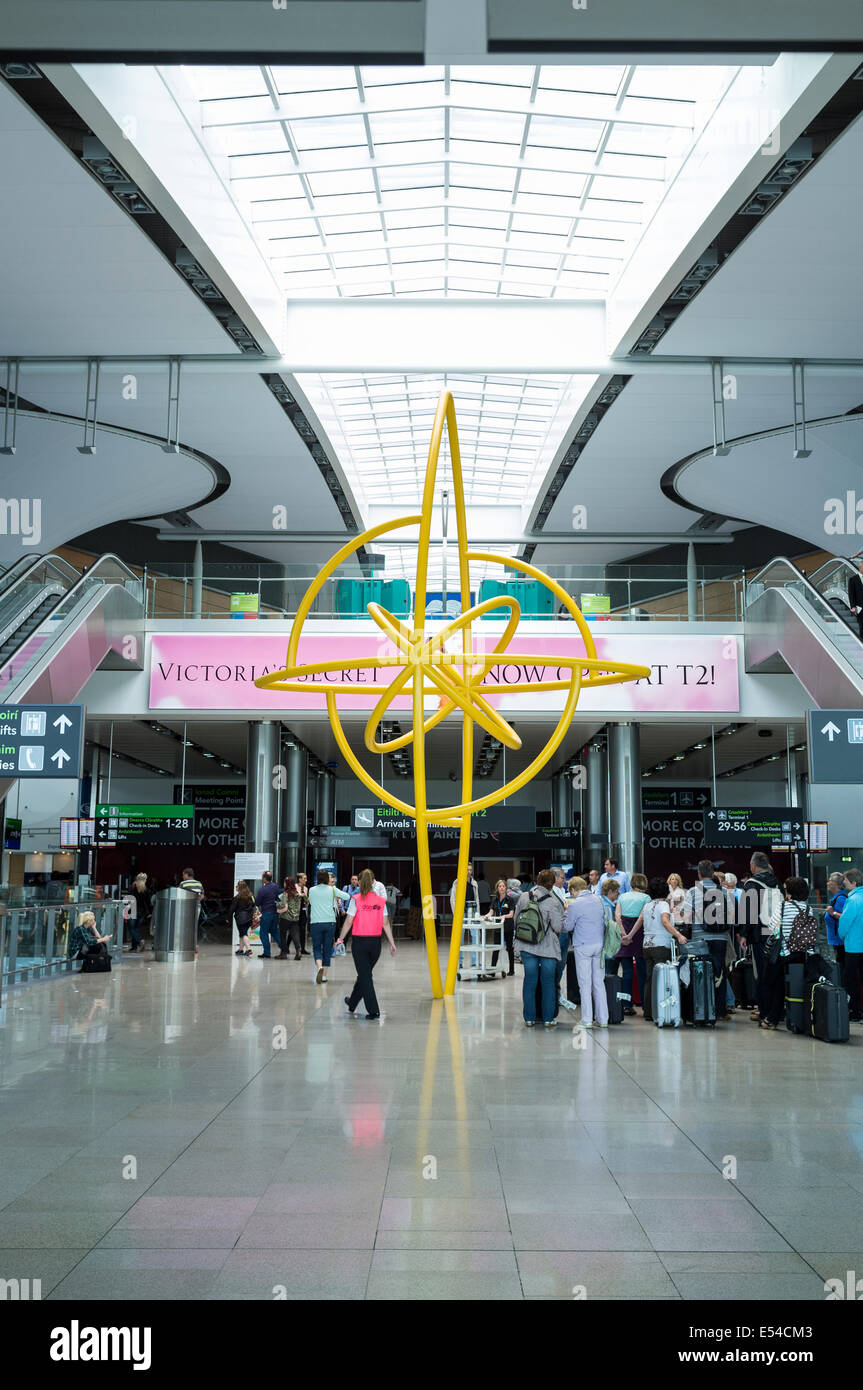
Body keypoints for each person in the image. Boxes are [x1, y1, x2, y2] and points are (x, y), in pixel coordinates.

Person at [337, 867, 397, 1019]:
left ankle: (373, 1010)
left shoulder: (355, 899)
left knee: (365, 976)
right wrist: (392, 942)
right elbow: (385, 923)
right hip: (375, 945)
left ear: (360, 882)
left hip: (360, 943)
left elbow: (349, 921)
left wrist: (340, 938)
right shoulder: (380, 901)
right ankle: (352, 1003)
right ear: (373, 882)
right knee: (364, 974)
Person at [683, 859, 736, 1022]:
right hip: (721, 938)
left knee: (701, 973)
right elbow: (733, 916)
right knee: (720, 973)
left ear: (698, 873)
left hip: (700, 938)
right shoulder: (725, 892)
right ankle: (720, 1011)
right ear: (713, 873)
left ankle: (702, 1008)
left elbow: (685, 917)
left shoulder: (692, 891)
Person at [760, 876, 812, 1030]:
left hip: (783, 954)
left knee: (774, 986)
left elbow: (773, 927)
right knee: (797, 987)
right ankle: (799, 1019)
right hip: (801, 954)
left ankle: (771, 1019)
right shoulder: (808, 909)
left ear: (789, 891)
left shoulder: (783, 906)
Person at [514, 868, 564, 1028]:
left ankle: (529, 1018)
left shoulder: (523, 897)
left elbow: (516, 920)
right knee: (548, 982)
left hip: (527, 945)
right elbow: (558, 927)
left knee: (530, 981)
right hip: (547, 947)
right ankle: (548, 1018)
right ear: (552, 884)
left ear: (537, 881)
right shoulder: (553, 901)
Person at [737, 852, 783, 1023]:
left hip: (759, 934)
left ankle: (765, 1012)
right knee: (775, 973)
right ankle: (775, 1011)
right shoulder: (777, 882)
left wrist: (743, 933)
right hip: (776, 932)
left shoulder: (752, 884)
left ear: (753, 864)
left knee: (761, 974)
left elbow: (748, 911)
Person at [637, 877, 689, 1023]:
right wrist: (678, 935)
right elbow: (665, 922)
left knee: (649, 979)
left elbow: (639, 921)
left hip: (646, 946)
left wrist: (628, 936)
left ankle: (648, 1011)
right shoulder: (664, 905)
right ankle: (660, 1010)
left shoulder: (647, 905)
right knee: (662, 980)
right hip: (661, 946)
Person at [565, 875, 608, 1028]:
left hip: (583, 945)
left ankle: (587, 1019)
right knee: (598, 983)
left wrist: (565, 915)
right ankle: (603, 1019)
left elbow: (568, 927)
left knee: (585, 983)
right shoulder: (599, 900)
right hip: (599, 944)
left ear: (574, 890)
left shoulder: (575, 904)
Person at [616, 872, 650, 1016]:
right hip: (639, 933)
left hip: (624, 932)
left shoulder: (622, 896)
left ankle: (626, 1005)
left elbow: (617, 916)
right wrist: (632, 935)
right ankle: (644, 1003)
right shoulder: (646, 898)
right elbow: (642, 918)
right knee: (643, 971)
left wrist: (624, 934)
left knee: (627, 972)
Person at [308, 868, 350, 983]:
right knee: (327, 948)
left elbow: (310, 902)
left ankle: (319, 967)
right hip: (330, 922)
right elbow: (347, 896)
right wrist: (336, 893)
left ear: (317, 878)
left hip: (315, 922)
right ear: (327, 878)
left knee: (316, 947)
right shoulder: (332, 889)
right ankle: (324, 976)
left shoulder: (312, 889)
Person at [838, 869, 863, 1023]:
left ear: (854, 883)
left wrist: (841, 935)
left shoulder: (853, 900)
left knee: (850, 979)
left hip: (854, 946)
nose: (844, 883)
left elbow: (845, 923)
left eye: (846, 880)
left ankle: (855, 1010)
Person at [452, 860, 482, 971]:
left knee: (475, 936)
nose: (469, 872)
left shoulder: (474, 883)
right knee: (459, 938)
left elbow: (477, 899)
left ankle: (474, 962)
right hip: (461, 912)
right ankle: (459, 962)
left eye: (470, 870)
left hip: (473, 911)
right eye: (467, 870)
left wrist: (478, 913)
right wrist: (456, 914)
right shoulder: (457, 883)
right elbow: (453, 899)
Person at [485, 877, 517, 976]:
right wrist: (485, 916)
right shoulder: (494, 900)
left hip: (508, 927)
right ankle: (493, 970)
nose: (502, 888)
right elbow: (491, 912)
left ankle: (511, 970)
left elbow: (511, 914)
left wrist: (504, 916)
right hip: (498, 927)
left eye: (503, 886)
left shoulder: (510, 900)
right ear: (497, 888)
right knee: (496, 948)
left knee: (509, 948)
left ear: (506, 888)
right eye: (500, 886)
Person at [254, 871, 282, 961]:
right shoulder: (276, 886)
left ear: (265, 879)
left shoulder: (262, 889)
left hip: (266, 913)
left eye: (262, 877)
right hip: (275, 913)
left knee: (263, 933)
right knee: (275, 932)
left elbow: (257, 902)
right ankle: (284, 949)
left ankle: (267, 953)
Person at [276, 876, 303, 960]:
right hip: (295, 918)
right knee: (295, 935)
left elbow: (284, 906)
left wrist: (277, 909)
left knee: (283, 935)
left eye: (284, 882)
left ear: (287, 884)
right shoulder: (297, 893)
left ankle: (283, 953)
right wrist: (296, 914)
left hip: (285, 917)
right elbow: (298, 906)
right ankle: (298, 950)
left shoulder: (286, 894)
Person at [825, 871, 848, 968]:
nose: (827, 883)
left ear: (835, 883)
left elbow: (845, 917)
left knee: (841, 966)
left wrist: (832, 913)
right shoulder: (836, 898)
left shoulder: (840, 899)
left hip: (840, 941)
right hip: (837, 941)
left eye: (829, 881)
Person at [179, 867, 204, 947]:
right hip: (197, 907)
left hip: (186, 908)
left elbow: (179, 895)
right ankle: (194, 944)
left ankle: (185, 944)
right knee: (194, 926)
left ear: (187, 874)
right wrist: (196, 901)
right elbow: (202, 896)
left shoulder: (183, 884)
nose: (182, 876)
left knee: (184, 926)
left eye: (183, 875)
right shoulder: (199, 883)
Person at [599, 879, 620, 973]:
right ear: (610, 891)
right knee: (609, 977)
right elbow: (610, 929)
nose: (618, 894)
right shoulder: (608, 907)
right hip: (608, 950)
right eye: (616, 891)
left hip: (601, 948)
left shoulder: (600, 901)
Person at [231, 880, 255, 957]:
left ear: (240, 888)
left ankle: (249, 949)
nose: (236, 887)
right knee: (242, 933)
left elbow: (232, 909)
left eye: (237, 886)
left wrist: (228, 917)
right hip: (249, 918)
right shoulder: (250, 896)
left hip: (241, 919)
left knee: (243, 934)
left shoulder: (237, 898)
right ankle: (240, 949)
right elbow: (254, 905)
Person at [129, 872, 151, 951]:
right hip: (142, 912)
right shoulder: (145, 889)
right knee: (136, 929)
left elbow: (129, 898)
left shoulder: (133, 887)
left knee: (132, 929)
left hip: (133, 910)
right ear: (145, 879)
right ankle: (134, 947)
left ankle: (139, 941)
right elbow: (148, 902)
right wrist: (149, 912)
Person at [847, 556, 863, 640]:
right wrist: (853, 606)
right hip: (860, 608)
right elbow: (851, 594)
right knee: (862, 626)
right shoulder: (853, 579)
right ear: (860, 568)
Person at [296, 872, 310, 955]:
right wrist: (300, 895)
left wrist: (307, 899)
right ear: (300, 879)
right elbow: (294, 896)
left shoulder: (305, 888)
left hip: (303, 910)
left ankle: (303, 948)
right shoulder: (295, 886)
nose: (306, 880)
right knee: (294, 929)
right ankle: (286, 947)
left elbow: (307, 900)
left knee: (303, 929)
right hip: (296, 910)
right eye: (304, 878)